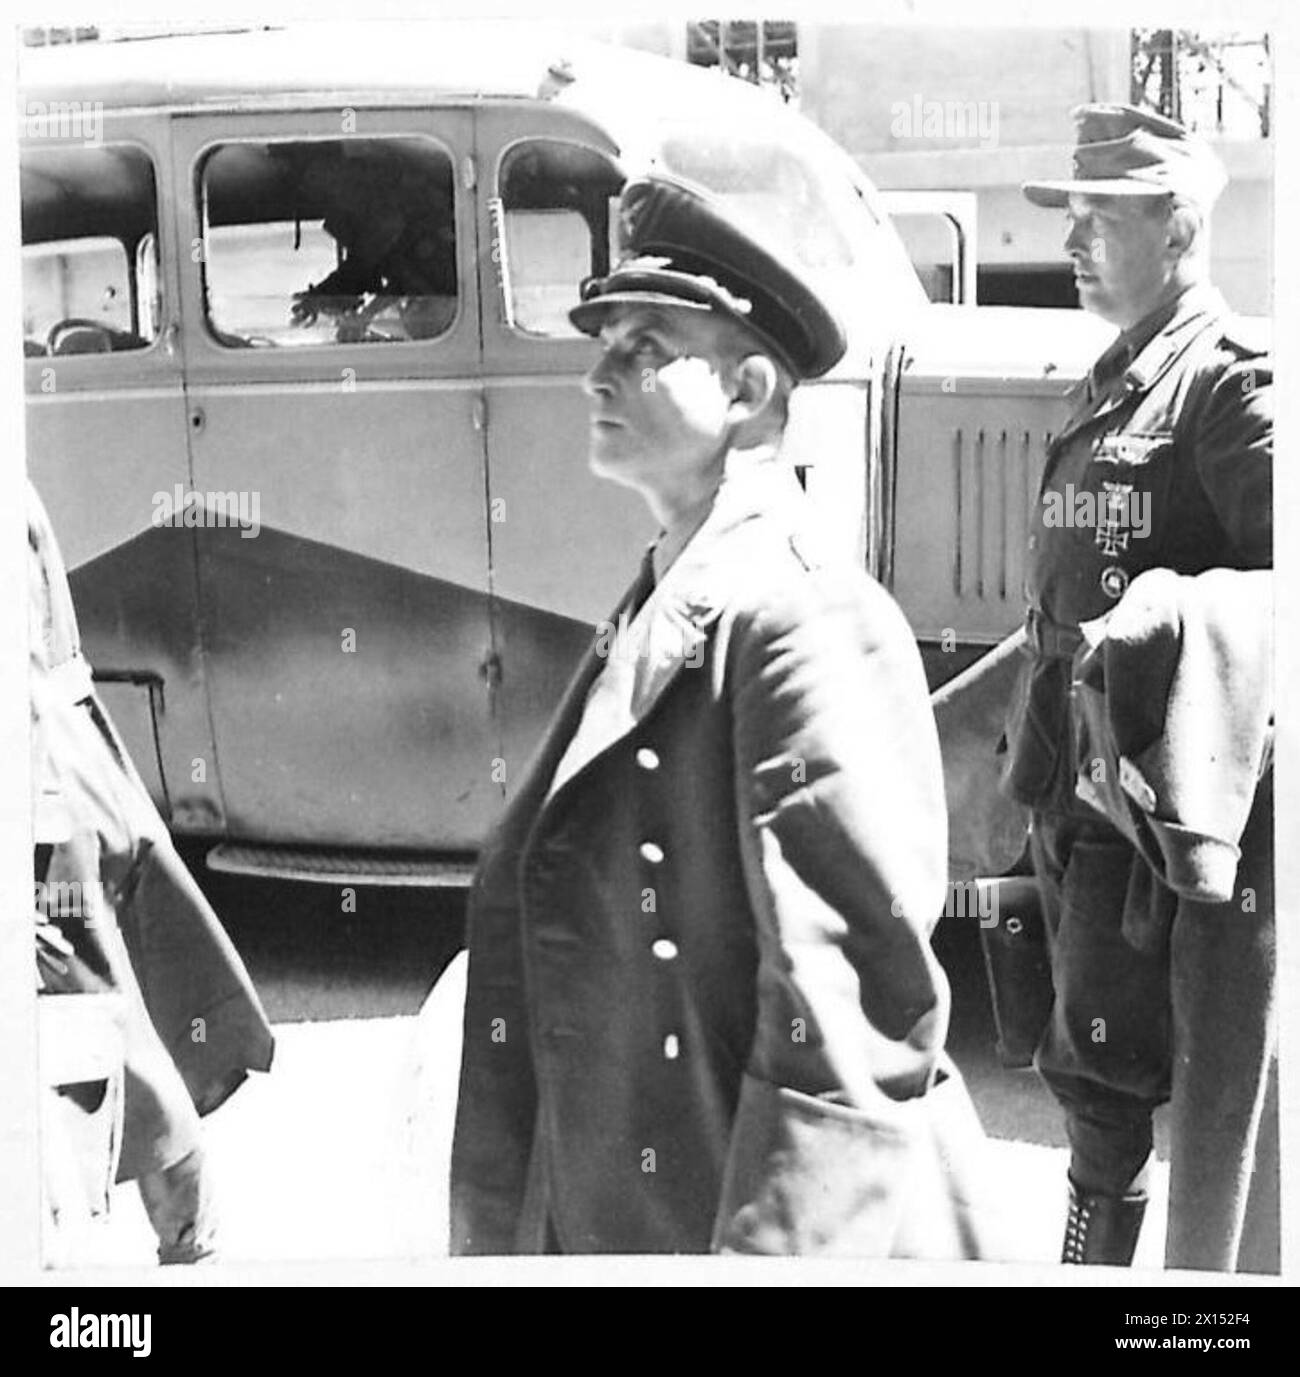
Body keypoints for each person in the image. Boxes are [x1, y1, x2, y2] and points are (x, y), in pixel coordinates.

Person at [449, 171, 995, 1256]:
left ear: (747, 392)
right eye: (602, 339)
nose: (596, 372)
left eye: (644, 346)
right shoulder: (680, 584)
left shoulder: (800, 613)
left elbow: (843, 1005)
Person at [1004, 104, 1275, 1270]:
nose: (1071, 245)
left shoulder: (1227, 383)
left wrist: (1165, 614)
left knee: (1134, 1088)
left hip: (1155, 816)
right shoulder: (1119, 377)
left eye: (1098, 221)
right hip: (1076, 791)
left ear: (1177, 231)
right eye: (1069, 218)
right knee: (1089, 1080)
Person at [29, 479, 275, 1263]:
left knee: (108, 1050)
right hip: (67, 782)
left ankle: (188, 1244)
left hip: (41, 803)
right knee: (120, 1042)